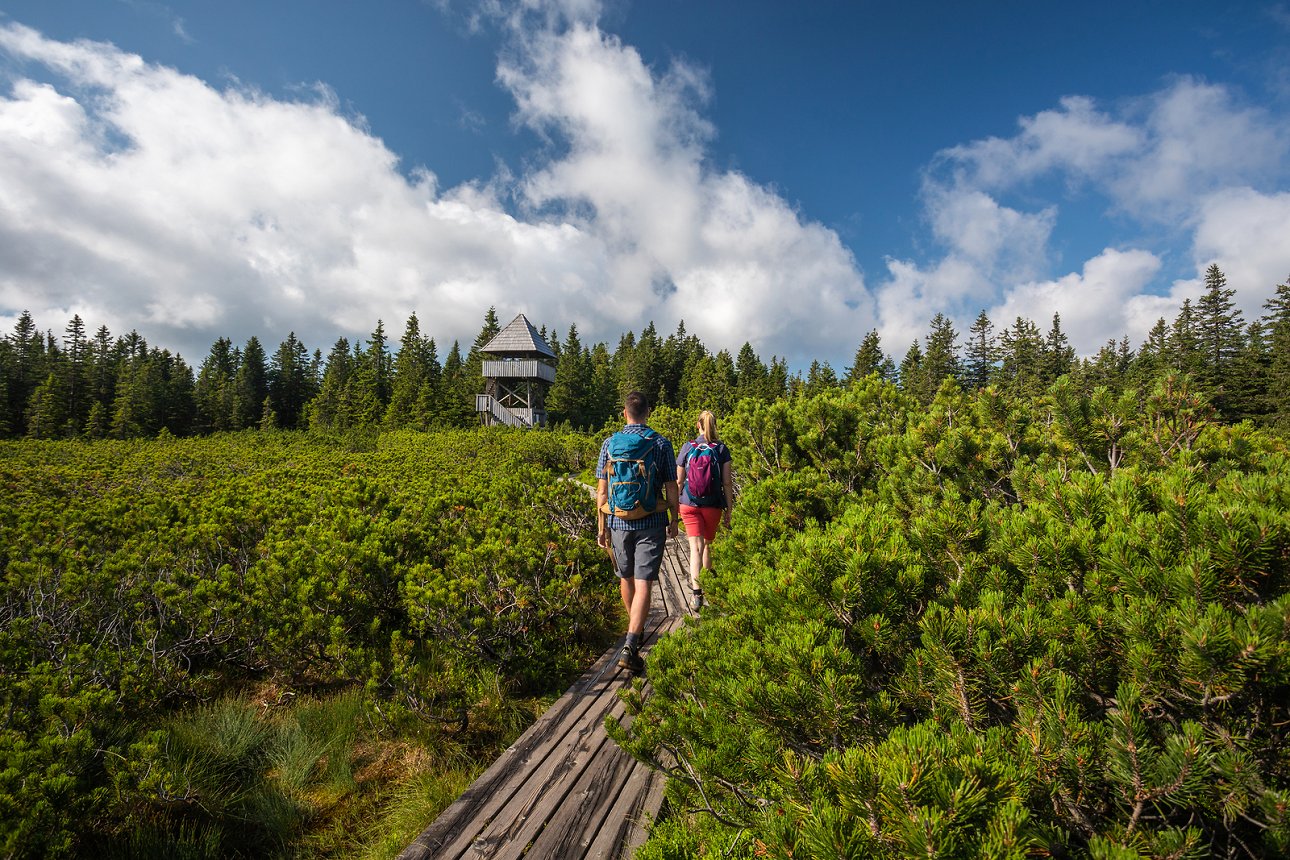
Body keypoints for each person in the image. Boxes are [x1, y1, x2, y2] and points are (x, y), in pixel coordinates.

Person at [596, 391, 679, 674]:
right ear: (648, 412)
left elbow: (602, 490)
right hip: (651, 521)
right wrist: (674, 518)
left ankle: (634, 631)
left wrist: (601, 526)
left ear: (624, 413)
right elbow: (671, 486)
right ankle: (632, 643)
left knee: (626, 577)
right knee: (644, 582)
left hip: (618, 522)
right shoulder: (660, 443)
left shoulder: (609, 443)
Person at [675, 410, 733, 612]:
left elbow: (679, 480)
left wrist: (675, 507)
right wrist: (729, 510)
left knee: (694, 548)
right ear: (714, 425)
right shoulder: (721, 449)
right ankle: (709, 586)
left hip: (688, 504)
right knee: (707, 545)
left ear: (697, 424)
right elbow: (726, 482)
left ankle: (696, 594)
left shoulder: (688, 447)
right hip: (713, 504)